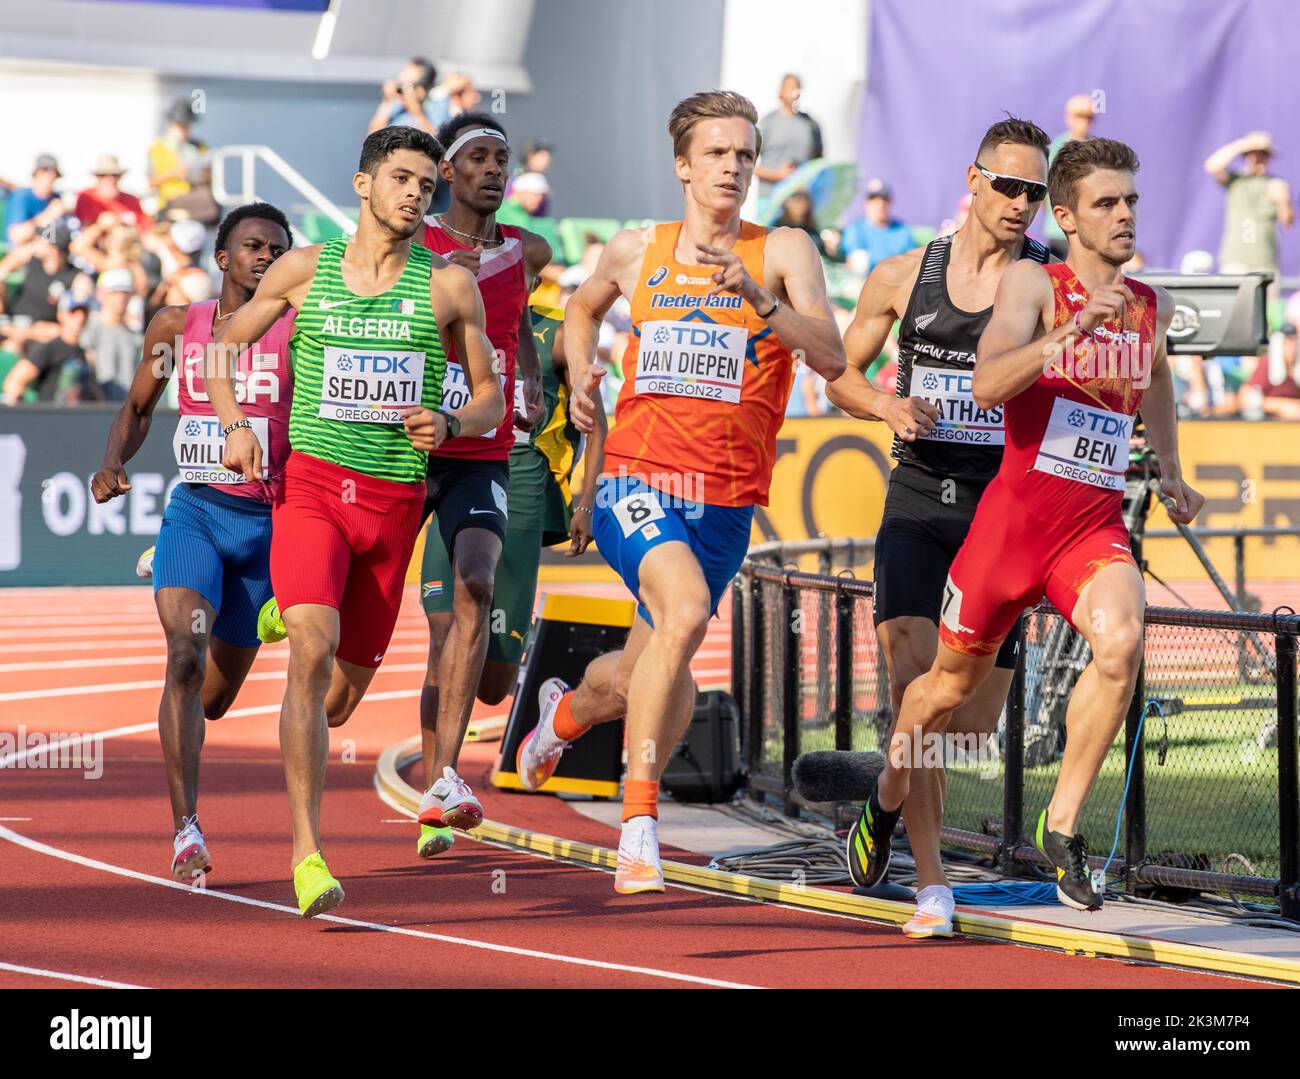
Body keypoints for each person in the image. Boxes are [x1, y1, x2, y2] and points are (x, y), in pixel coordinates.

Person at [847, 137, 1203, 913]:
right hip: (1005, 529)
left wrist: (1171, 464)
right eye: (1107, 203)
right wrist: (1070, 334)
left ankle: (1063, 823)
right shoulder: (1033, 283)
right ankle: (886, 796)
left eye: (1132, 201)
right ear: (1068, 218)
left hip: (1090, 529)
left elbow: (1161, 373)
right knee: (944, 704)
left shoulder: (1151, 304)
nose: (1124, 215)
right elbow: (988, 380)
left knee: (1123, 640)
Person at [515, 90, 846, 894]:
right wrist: (582, 370)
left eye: (744, 153)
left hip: (726, 502)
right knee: (688, 612)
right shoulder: (637, 250)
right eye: (717, 153)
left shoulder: (785, 251)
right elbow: (579, 311)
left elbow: (832, 357)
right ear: (684, 166)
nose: (733, 166)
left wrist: (761, 300)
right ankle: (639, 823)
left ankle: (563, 713)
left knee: (638, 675)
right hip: (638, 477)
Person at [209, 126, 504, 918]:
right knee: (312, 647)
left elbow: (490, 398)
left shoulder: (448, 287)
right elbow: (222, 346)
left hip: (394, 508)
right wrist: (236, 424)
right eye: (401, 178)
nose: (416, 194)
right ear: (363, 184)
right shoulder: (306, 271)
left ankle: (289, 604)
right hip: (312, 488)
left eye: (424, 184)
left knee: (340, 700)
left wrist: (454, 427)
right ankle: (307, 850)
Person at [824, 117, 1053, 939]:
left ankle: (883, 797)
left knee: (968, 721)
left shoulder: (1045, 284)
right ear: (975, 180)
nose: (1023, 204)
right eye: (1010, 186)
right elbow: (837, 372)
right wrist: (885, 401)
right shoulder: (901, 275)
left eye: (1036, 191)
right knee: (908, 681)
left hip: (1004, 514)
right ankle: (931, 884)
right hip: (918, 499)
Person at [89, 203, 295, 881]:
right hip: (198, 514)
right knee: (183, 656)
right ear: (222, 258)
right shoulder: (180, 326)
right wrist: (115, 459)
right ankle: (186, 829)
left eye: (277, 248)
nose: (266, 257)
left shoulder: (303, 329)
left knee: (212, 697)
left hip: (269, 527)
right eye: (253, 246)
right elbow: (140, 407)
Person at [406, 112, 551, 851]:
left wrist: (528, 371)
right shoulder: (415, 242)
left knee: (472, 591)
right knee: (339, 691)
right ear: (449, 171)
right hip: (404, 438)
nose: (495, 169)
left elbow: (517, 319)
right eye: (480, 158)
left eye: (504, 158)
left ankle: (441, 779)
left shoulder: (531, 250)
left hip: (481, 440)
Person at [1205, 132, 1294, 285]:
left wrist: (1284, 202)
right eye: (1253, 155)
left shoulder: (1277, 184)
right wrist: (1242, 145)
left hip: (1265, 262)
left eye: (1263, 155)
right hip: (1235, 261)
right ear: (1246, 156)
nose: (1258, 159)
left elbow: (1287, 222)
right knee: (1235, 307)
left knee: (1265, 307)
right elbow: (1212, 166)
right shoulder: (1236, 181)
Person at [0, 222, 85, 359]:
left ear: (54, 249)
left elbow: (70, 325)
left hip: (43, 332)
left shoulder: (74, 276)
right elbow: (3, 269)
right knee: (12, 345)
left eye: (41, 240)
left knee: (26, 345)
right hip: (15, 322)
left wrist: (27, 332)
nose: (36, 242)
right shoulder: (32, 261)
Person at [2, 296, 96, 404]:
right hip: (51, 415)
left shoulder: (83, 352)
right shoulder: (49, 348)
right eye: (73, 312)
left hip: (77, 416)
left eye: (84, 313)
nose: (79, 318)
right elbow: (14, 382)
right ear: (61, 315)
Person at [1045, 94, 1097, 257]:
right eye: (1079, 116)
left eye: (1089, 117)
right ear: (1068, 118)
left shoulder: (1099, 150)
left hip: (1089, 233)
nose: (1084, 121)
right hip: (1059, 232)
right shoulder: (1055, 149)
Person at [755, 74, 823, 199]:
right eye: (790, 87)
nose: (793, 92)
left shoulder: (811, 125)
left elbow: (818, 163)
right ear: (781, 91)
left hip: (799, 199)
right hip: (770, 199)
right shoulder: (768, 122)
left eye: (797, 87)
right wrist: (777, 175)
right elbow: (750, 165)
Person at [83, 268, 145, 401]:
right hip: (97, 410)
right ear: (101, 294)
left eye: (125, 293)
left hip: (127, 411)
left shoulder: (135, 335)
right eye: (115, 292)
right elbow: (89, 373)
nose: (121, 298)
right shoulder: (90, 329)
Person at [148, 99, 211, 215]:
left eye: (187, 125)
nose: (184, 129)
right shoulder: (158, 147)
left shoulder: (199, 146)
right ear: (171, 124)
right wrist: (174, 172)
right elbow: (151, 182)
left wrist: (203, 174)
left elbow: (210, 173)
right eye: (181, 124)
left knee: (208, 201)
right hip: (170, 199)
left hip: (195, 195)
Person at [840, 179, 914, 272]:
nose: (880, 204)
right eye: (873, 198)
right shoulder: (855, 229)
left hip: (896, 281)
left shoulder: (902, 231)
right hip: (865, 282)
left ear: (890, 202)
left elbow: (909, 262)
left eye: (884, 198)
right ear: (866, 202)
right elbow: (854, 261)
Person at [367, 57, 443, 136]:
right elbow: (372, 135)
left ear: (422, 90)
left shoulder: (435, 106)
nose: (403, 89)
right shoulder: (396, 105)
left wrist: (416, 111)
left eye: (409, 85)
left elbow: (435, 141)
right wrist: (387, 100)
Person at [74, 155, 151, 232]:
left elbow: (146, 232)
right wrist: (101, 226)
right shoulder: (87, 197)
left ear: (120, 177)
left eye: (115, 175)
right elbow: (81, 235)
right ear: (97, 177)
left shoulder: (132, 201)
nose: (110, 179)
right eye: (103, 175)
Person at [1243, 322, 1300, 420]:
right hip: (1271, 424)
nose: (1292, 347)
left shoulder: (1296, 367)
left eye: (1294, 342)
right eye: (1287, 342)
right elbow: (1246, 398)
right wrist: (1281, 406)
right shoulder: (1267, 364)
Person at [6, 154, 64, 247]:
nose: (50, 176)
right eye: (45, 171)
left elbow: (51, 237)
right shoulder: (22, 196)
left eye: (54, 173)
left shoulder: (55, 198)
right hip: (21, 250)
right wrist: (47, 215)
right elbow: (16, 237)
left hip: (47, 247)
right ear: (35, 174)